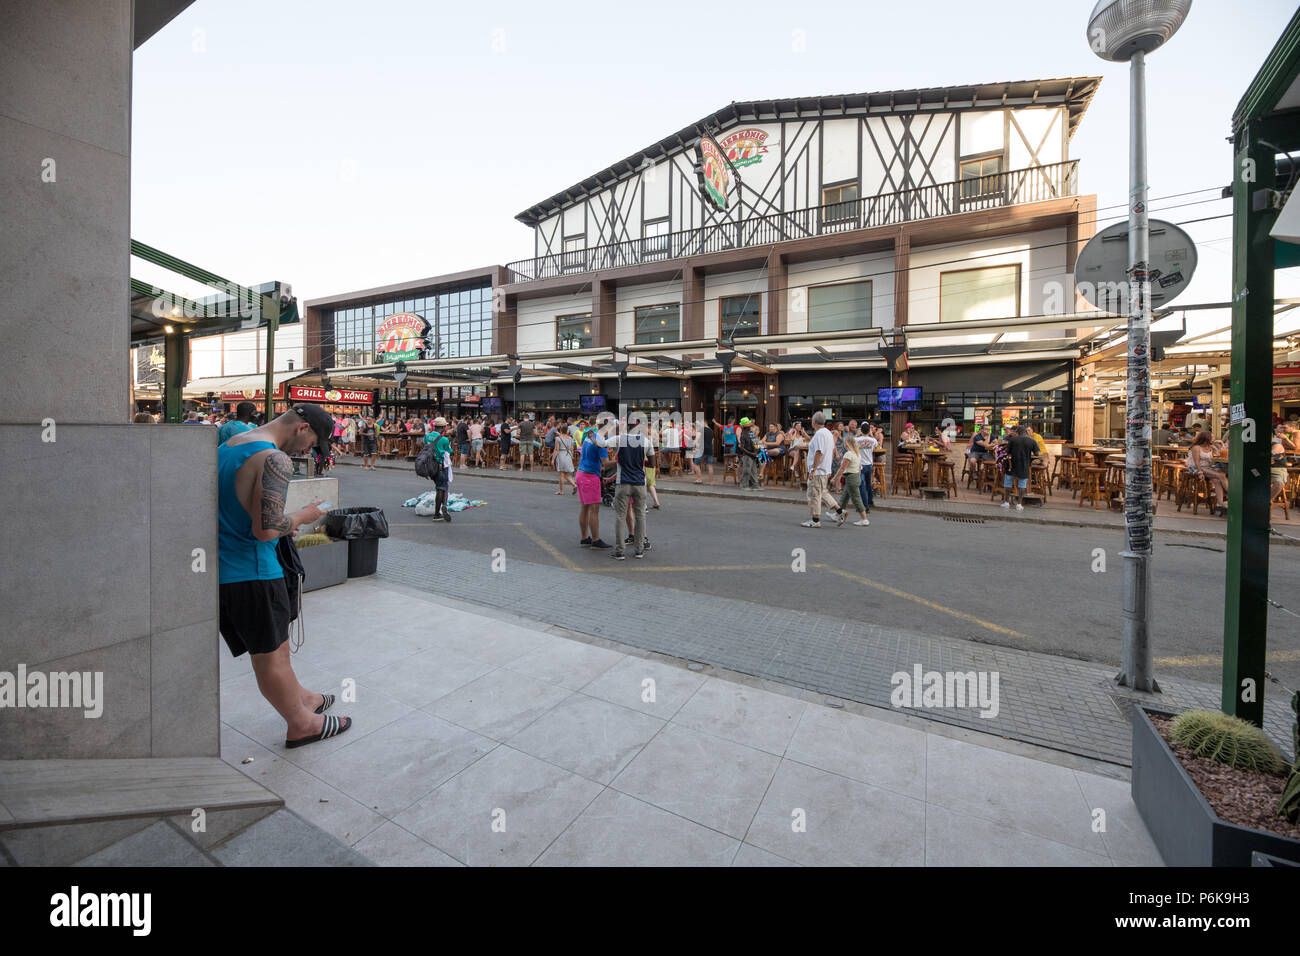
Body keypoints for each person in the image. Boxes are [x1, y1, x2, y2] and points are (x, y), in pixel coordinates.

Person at [219, 403, 351, 748]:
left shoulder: (231, 445)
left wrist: (278, 523)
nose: (308, 451)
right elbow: (266, 529)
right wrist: (301, 516)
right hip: (253, 570)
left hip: (229, 566)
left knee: (276, 649)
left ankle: (301, 698)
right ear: (301, 428)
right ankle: (301, 724)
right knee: (270, 657)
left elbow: (240, 509)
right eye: (312, 443)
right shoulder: (275, 459)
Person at [611, 417, 654, 560]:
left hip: (623, 482)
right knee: (640, 515)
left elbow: (603, 444)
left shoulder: (620, 440)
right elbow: (652, 464)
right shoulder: (646, 442)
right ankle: (639, 549)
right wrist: (639, 464)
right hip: (639, 483)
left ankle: (619, 551)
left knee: (620, 516)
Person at [801, 411, 844, 528]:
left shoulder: (820, 434)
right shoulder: (828, 433)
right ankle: (840, 511)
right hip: (824, 469)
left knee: (814, 495)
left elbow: (819, 452)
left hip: (819, 470)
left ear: (813, 422)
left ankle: (815, 520)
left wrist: (813, 469)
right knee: (822, 492)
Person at [575, 425, 611, 548]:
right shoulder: (600, 442)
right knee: (594, 510)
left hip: (581, 473)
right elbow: (606, 464)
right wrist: (621, 461)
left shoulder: (589, 436)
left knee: (584, 507)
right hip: (590, 476)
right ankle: (595, 540)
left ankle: (584, 538)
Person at [831, 430, 870, 526]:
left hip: (851, 477)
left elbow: (842, 468)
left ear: (847, 444)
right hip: (856, 476)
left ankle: (864, 519)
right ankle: (837, 514)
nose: (844, 444)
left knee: (856, 499)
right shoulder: (857, 453)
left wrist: (835, 478)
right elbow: (859, 467)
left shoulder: (848, 454)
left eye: (844, 443)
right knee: (844, 497)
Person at [1185, 430, 1228, 513]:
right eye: (1212, 437)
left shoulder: (1211, 447)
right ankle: (1235, 497)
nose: (1214, 439)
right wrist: (1200, 472)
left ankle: (1220, 503)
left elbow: (1221, 455)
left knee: (1217, 480)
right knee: (1221, 476)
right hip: (1195, 467)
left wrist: (1220, 446)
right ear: (1206, 438)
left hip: (1207, 467)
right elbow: (1196, 462)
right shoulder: (1196, 447)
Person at [1000, 425, 1038, 511]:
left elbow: (1006, 451)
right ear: (1026, 432)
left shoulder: (1012, 440)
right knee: (1022, 485)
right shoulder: (1032, 440)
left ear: (1017, 432)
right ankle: (1019, 504)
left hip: (1011, 465)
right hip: (1024, 465)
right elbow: (1037, 454)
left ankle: (1006, 502)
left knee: (1008, 483)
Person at [424, 417, 455, 521]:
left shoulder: (427, 436)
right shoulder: (444, 439)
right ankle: (437, 513)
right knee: (441, 489)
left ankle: (444, 506)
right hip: (440, 466)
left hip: (430, 466)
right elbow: (449, 451)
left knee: (442, 487)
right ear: (442, 427)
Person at [851, 420, 877, 517]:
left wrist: (857, 434)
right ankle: (870, 501)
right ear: (869, 430)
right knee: (868, 484)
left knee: (862, 486)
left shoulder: (857, 440)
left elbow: (850, 443)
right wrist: (871, 435)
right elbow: (876, 445)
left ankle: (865, 507)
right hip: (869, 464)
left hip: (860, 465)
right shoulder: (873, 440)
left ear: (861, 430)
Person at [737, 418, 760, 489]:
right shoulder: (743, 435)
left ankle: (755, 485)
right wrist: (752, 453)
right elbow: (742, 447)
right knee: (747, 471)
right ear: (745, 426)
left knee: (754, 471)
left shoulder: (751, 433)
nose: (750, 426)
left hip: (752, 454)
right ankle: (744, 485)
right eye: (749, 425)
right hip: (747, 455)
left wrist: (756, 451)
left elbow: (756, 443)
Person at [553, 423, 576, 495]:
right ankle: (574, 485)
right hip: (568, 455)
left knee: (561, 474)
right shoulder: (570, 438)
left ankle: (561, 490)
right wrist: (571, 457)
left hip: (561, 455)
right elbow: (572, 449)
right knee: (566, 473)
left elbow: (556, 449)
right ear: (567, 431)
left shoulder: (558, 438)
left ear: (560, 430)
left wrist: (552, 459)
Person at [693, 418, 715, 484]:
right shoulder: (711, 431)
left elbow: (696, 439)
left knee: (696, 464)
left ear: (704, 423)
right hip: (710, 450)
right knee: (710, 465)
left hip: (701, 450)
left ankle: (699, 479)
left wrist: (693, 445)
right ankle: (711, 482)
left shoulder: (701, 430)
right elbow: (712, 442)